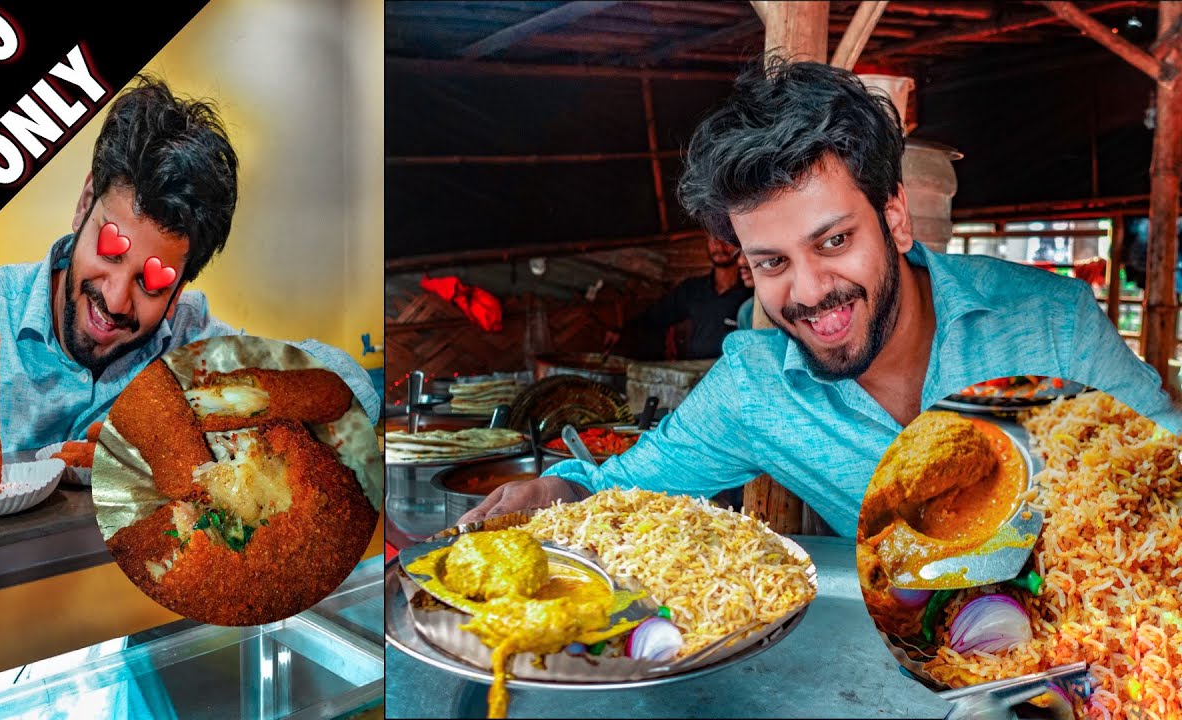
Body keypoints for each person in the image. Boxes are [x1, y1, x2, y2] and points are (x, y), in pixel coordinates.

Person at [460, 57, 1181, 537]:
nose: (809, 294)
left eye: (834, 242)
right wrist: (553, 494)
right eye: (771, 261)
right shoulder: (755, 387)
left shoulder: (1049, 324)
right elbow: (614, 486)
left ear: (894, 218)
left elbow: (1168, 476)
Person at [0, 76, 377, 470]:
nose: (115, 300)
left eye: (153, 283)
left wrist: (195, 418)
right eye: (111, 249)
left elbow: (351, 387)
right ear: (86, 203)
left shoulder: (187, 340)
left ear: (180, 288)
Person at [623, 234, 750, 360]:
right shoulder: (692, 289)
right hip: (698, 373)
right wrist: (620, 333)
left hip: (735, 372)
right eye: (713, 238)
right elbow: (654, 317)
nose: (719, 245)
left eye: (726, 239)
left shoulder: (750, 293)